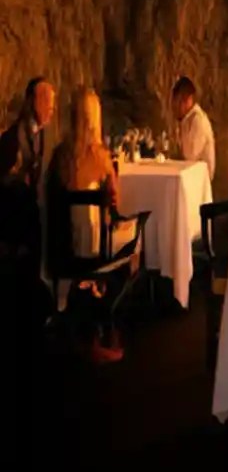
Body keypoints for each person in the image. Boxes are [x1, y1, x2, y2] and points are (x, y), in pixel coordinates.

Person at [47, 88, 141, 364]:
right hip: (95, 252)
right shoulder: (101, 158)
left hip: (62, 249)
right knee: (134, 248)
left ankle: (84, 322)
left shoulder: (59, 157)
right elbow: (114, 201)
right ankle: (103, 321)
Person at [0, 77, 56, 344]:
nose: (52, 107)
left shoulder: (40, 134)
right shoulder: (13, 140)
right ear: (32, 101)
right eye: (47, 100)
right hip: (13, 218)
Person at [171, 76, 215, 180]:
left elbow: (189, 156)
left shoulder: (198, 120)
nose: (174, 108)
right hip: (189, 176)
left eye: (178, 102)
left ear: (187, 100)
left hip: (199, 180)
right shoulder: (186, 120)